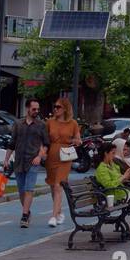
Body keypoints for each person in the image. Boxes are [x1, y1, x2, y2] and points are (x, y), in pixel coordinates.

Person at [3, 97, 49, 228]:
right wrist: (6, 159)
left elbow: (46, 144)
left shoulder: (41, 125)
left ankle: (24, 216)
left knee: (29, 189)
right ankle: (27, 211)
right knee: (21, 191)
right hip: (19, 162)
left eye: (38, 109)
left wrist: (39, 156)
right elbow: (12, 143)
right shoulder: (18, 124)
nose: (36, 111)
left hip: (33, 161)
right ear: (27, 108)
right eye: (34, 109)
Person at [44, 97, 81, 228]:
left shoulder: (73, 123)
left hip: (65, 156)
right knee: (52, 185)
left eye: (58, 107)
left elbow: (78, 139)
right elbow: (45, 140)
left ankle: (54, 216)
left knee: (58, 185)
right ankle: (59, 212)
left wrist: (75, 141)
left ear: (65, 108)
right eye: (54, 106)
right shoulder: (49, 122)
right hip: (51, 156)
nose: (55, 109)